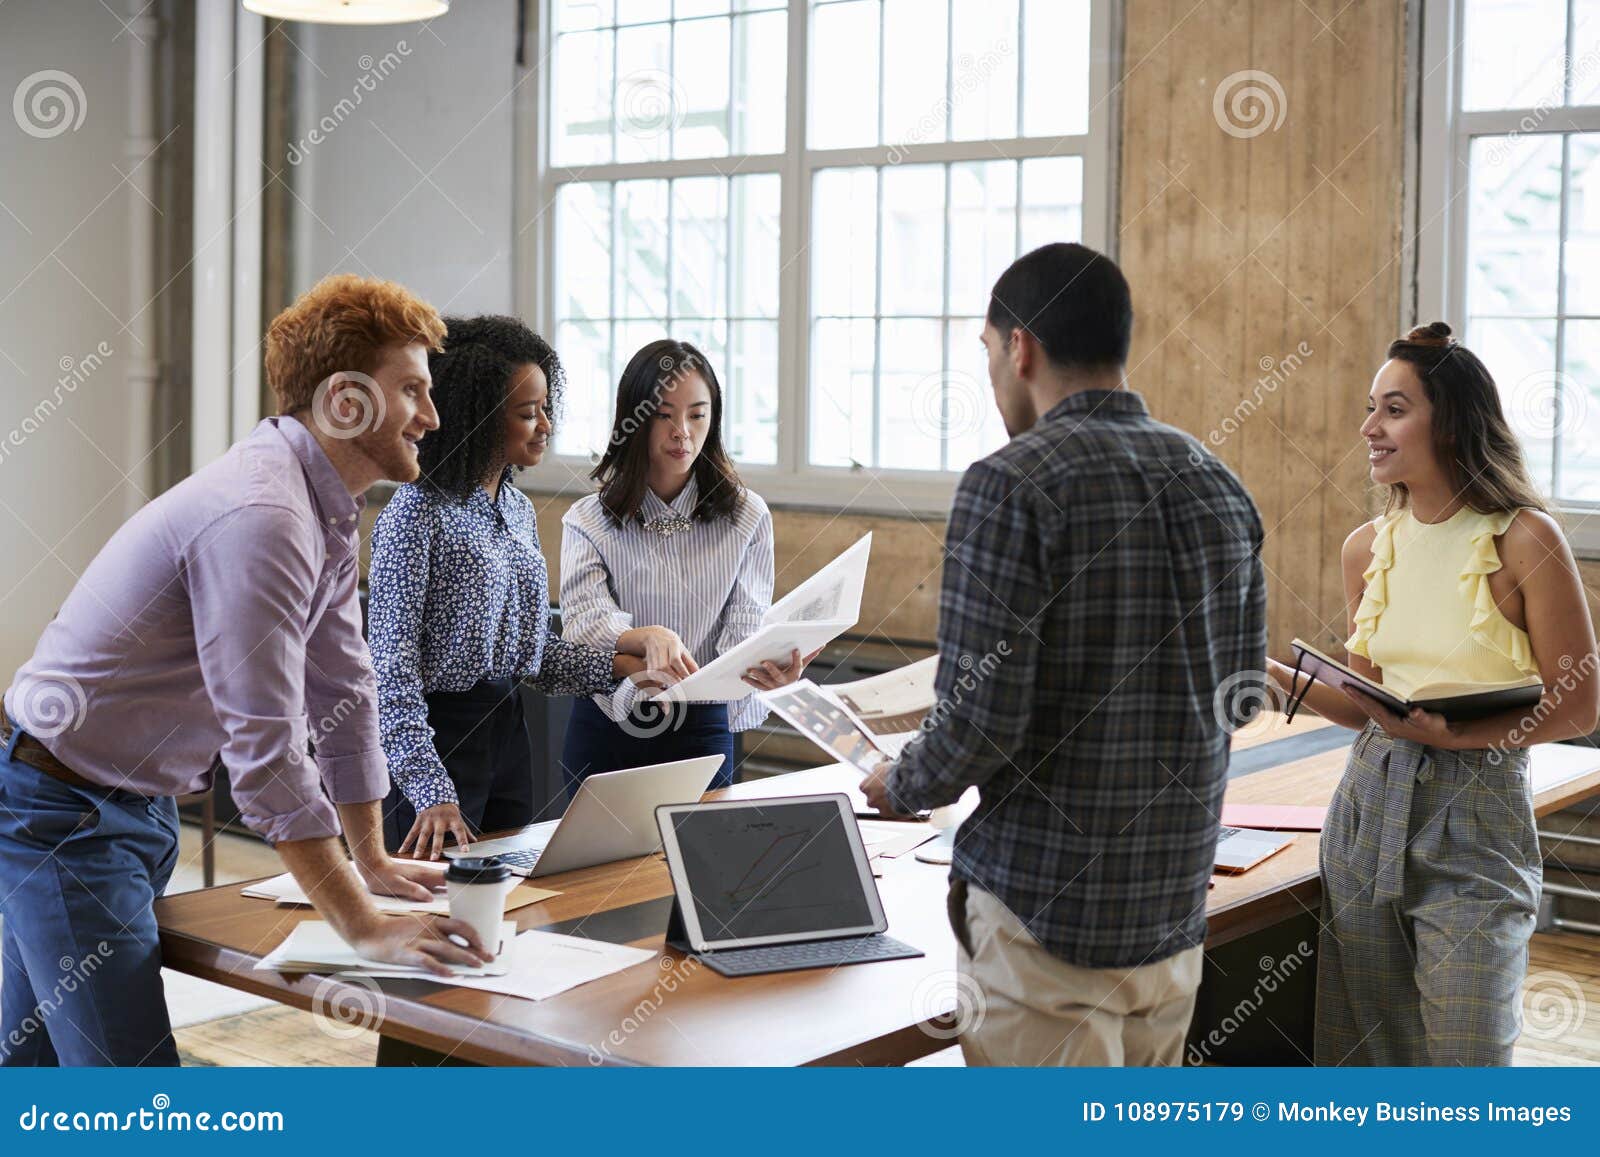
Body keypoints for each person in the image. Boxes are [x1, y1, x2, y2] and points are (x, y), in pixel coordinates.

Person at [0, 274, 492, 1067]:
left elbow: (343, 687)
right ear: (345, 400)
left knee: (30, 1071)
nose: (432, 418)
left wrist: (368, 859)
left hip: (124, 803)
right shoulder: (266, 517)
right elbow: (264, 750)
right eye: (413, 391)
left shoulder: (320, 504)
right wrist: (361, 925)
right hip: (66, 813)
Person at [861, 242, 1267, 1067]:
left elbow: (982, 718)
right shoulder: (1217, 480)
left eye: (986, 351)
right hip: (1171, 912)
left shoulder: (1010, 483)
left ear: (1021, 347)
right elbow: (1246, 692)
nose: (991, 373)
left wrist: (899, 782)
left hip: (1046, 920)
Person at [1265, 322, 1599, 1066]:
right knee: (1369, 1055)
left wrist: (1457, 737)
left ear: (1447, 421)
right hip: (1367, 805)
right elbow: (1367, 705)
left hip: (1476, 815)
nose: (1369, 429)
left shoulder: (1524, 538)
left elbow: (1580, 704)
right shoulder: (1367, 546)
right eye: (1370, 408)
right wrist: (1269, 670)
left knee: (1468, 1059)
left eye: (1392, 409)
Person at [368, 315, 669, 858]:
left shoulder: (517, 509)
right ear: (477, 417)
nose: (546, 426)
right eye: (528, 413)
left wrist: (625, 669)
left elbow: (531, 658)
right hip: (432, 747)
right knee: (431, 923)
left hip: (509, 734)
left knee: (505, 910)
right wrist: (431, 790)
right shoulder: (414, 513)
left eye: (547, 409)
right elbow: (390, 672)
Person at [558, 339, 815, 794]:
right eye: (664, 415)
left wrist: (773, 667)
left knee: (698, 862)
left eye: (697, 414)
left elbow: (743, 634)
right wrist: (649, 637)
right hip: (609, 725)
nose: (682, 431)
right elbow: (583, 623)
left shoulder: (748, 516)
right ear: (634, 418)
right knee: (595, 867)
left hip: (702, 731)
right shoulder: (587, 518)